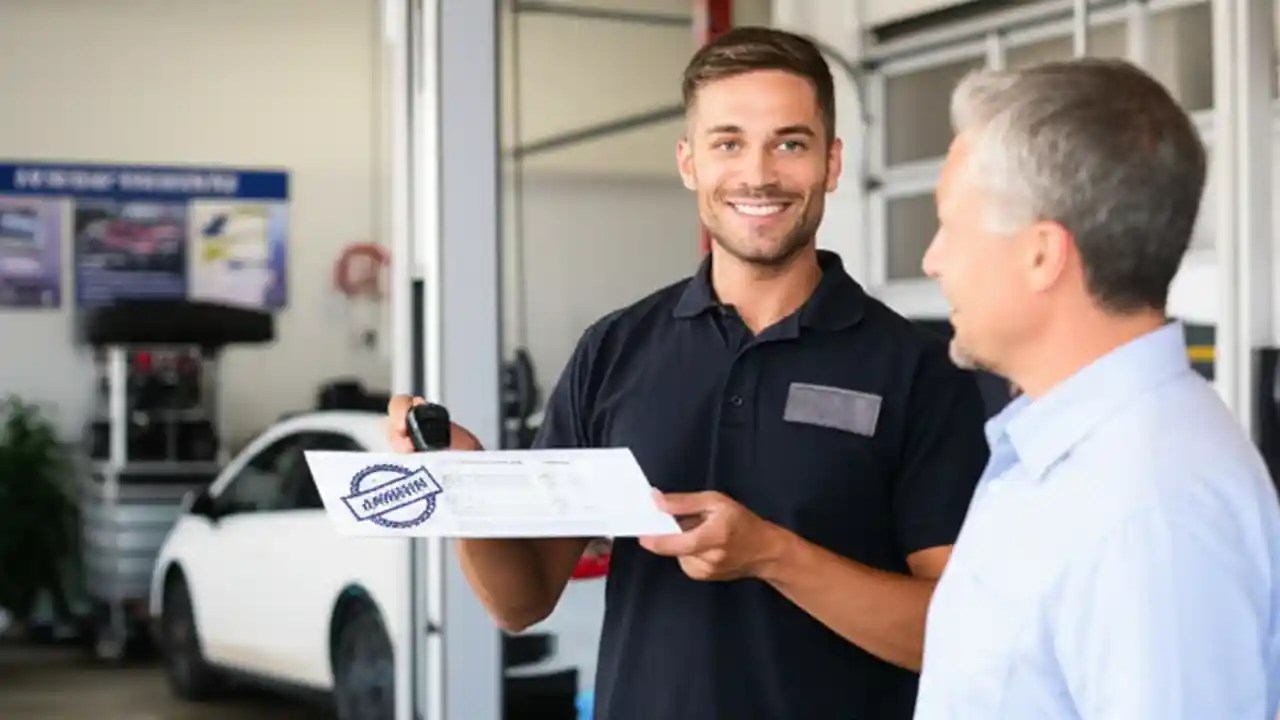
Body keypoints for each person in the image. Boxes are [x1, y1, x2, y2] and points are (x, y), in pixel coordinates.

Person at [388, 27, 990, 720]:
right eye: (728, 143)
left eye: (789, 144)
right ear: (688, 162)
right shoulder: (613, 352)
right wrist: (462, 482)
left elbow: (956, 633)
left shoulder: (919, 370)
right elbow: (520, 603)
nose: (758, 174)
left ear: (831, 162)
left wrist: (771, 554)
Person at [914, 58, 1280, 718]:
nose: (931, 259)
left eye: (951, 226)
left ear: (1041, 255)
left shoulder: (1148, 510)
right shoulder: (1079, 456)